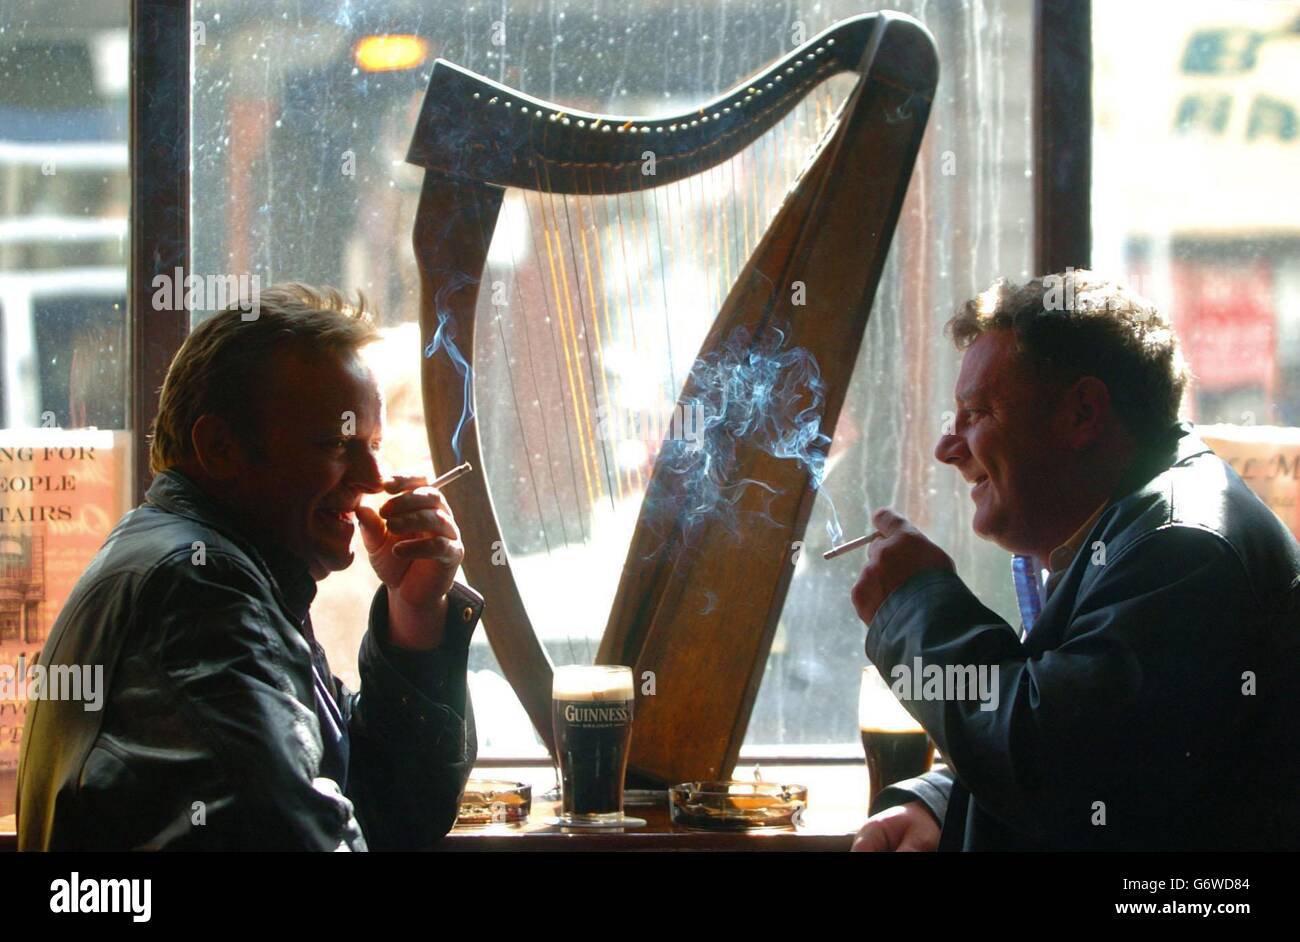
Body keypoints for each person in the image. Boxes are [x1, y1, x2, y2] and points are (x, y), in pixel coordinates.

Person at [17, 284, 481, 850]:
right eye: (338, 444)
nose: (374, 478)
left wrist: (415, 612)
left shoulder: (206, 567)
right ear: (221, 448)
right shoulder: (200, 588)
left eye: (374, 443)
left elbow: (379, 811)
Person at [849, 270, 1300, 851]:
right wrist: (941, 802)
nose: (947, 447)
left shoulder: (1181, 548)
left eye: (978, 411)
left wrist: (915, 605)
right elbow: (1096, 735)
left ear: (1083, 412)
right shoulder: (1123, 532)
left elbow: (1056, 768)